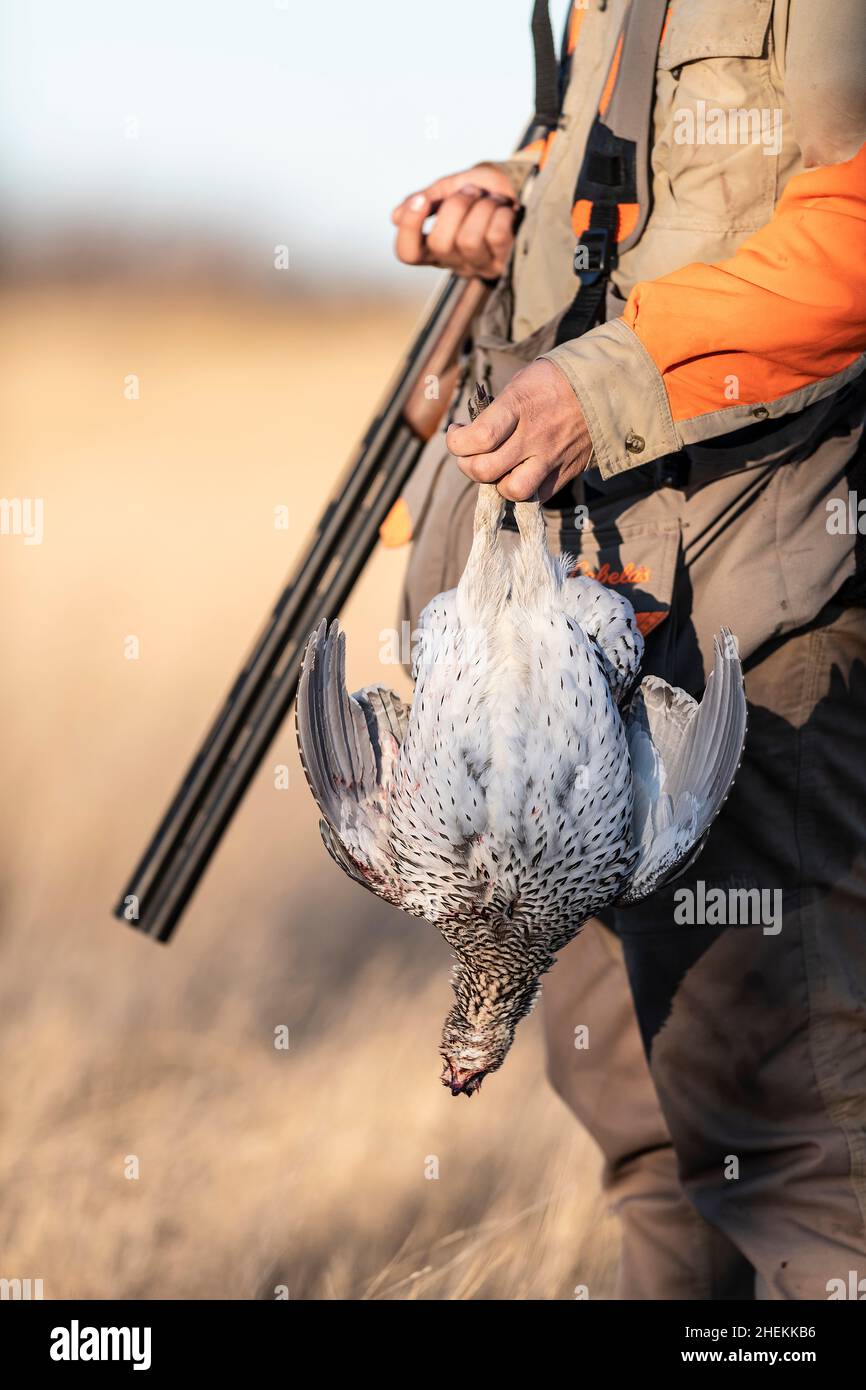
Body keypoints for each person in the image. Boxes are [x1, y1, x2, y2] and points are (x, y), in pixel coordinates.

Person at [389, 0, 866, 1300]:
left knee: (796, 1142)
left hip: (757, 625)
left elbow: (855, 224)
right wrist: (516, 192)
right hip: (591, 627)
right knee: (643, 1119)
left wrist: (601, 389)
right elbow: (659, 185)